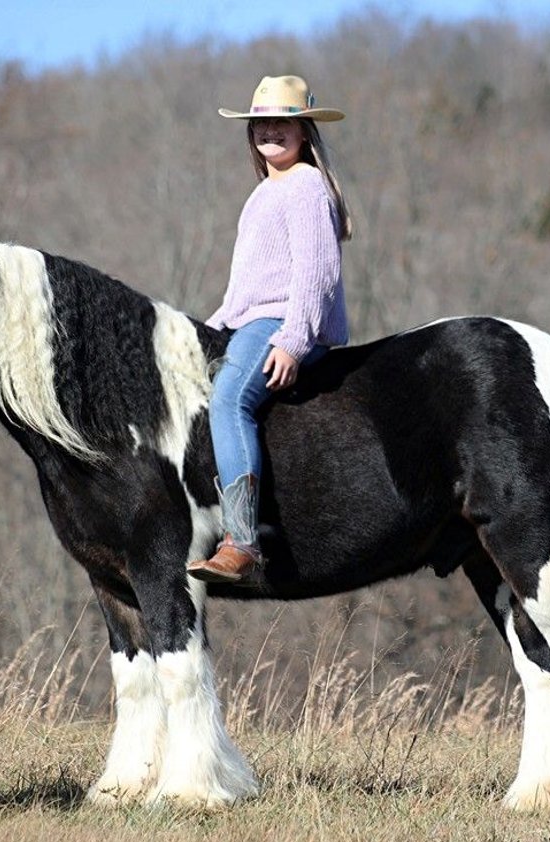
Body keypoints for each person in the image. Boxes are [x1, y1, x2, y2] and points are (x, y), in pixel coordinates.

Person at [188, 74, 353, 583]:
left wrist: (294, 339)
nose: (270, 131)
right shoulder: (263, 193)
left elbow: (316, 272)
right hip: (256, 318)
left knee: (229, 398)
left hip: (288, 321)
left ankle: (241, 540)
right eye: (261, 123)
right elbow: (246, 291)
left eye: (283, 123)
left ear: (304, 131)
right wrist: (205, 331)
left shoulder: (304, 185)